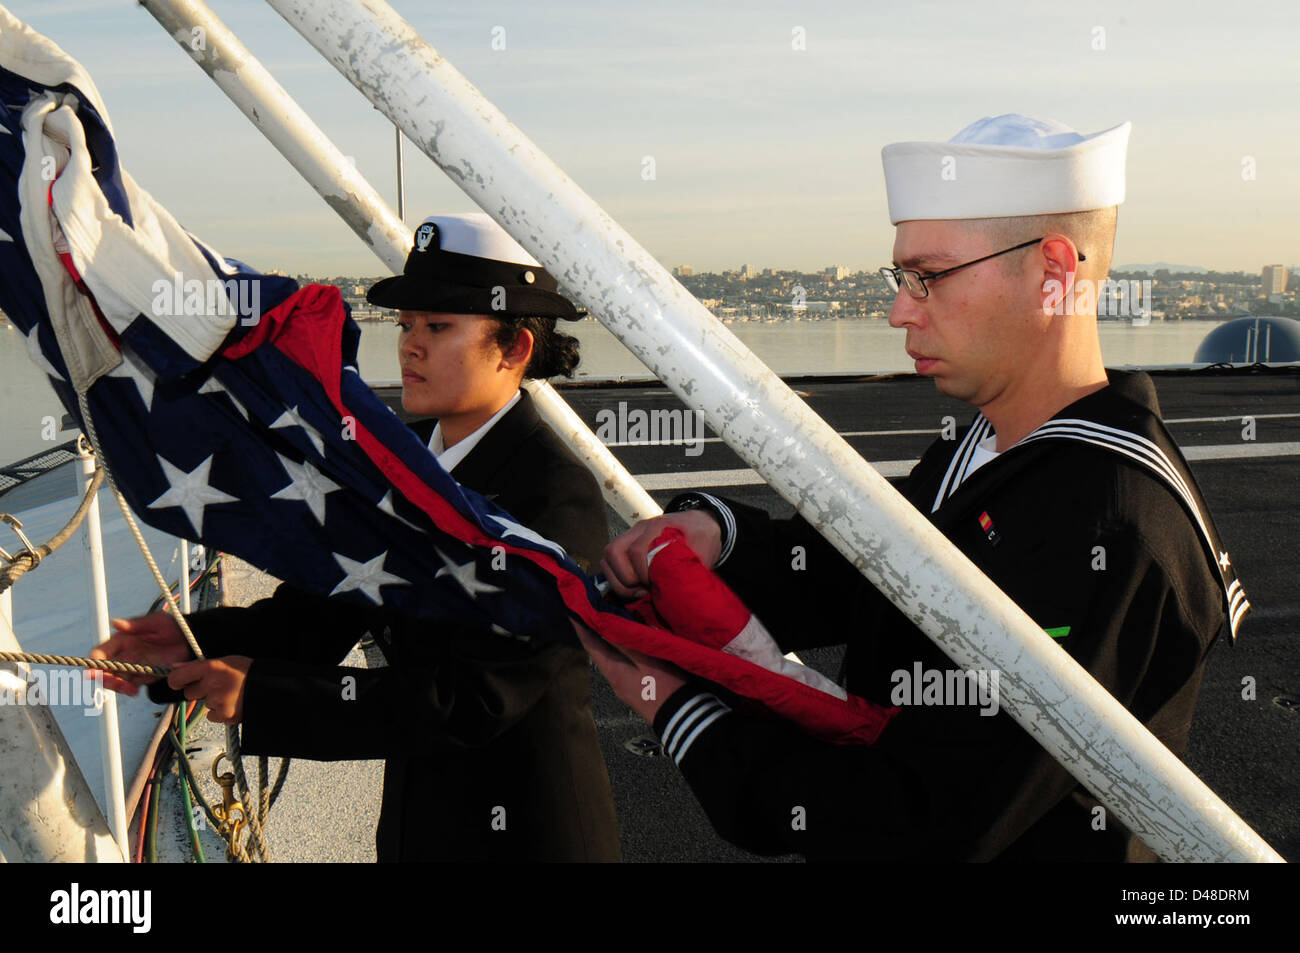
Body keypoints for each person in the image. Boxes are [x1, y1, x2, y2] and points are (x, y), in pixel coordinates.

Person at [582, 115, 1248, 861]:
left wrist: (680, 711)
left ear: (1054, 271)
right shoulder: (987, 446)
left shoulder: (1109, 523)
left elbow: (922, 821)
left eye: (928, 276)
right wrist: (718, 536)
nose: (900, 308)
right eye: (901, 279)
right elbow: (859, 572)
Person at [94, 213, 622, 862]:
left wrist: (262, 695)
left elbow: (473, 697)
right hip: (420, 827)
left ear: (513, 349)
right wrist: (191, 642)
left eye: (438, 326)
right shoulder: (407, 469)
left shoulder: (552, 494)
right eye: (405, 326)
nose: (409, 345)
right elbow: (326, 612)